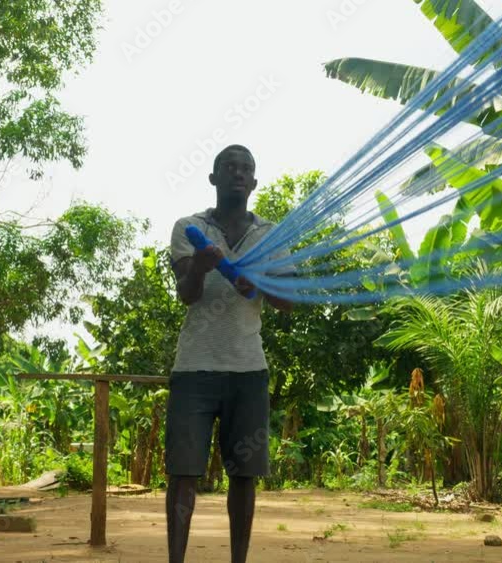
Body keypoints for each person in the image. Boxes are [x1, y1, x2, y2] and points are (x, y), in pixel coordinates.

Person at [166, 144, 293, 563]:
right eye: (229, 167)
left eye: (246, 169)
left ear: (254, 183)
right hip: (194, 370)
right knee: (183, 474)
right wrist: (201, 267)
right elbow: (187, 295)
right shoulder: (189, 227)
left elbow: (288, 302)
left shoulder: (271, 236)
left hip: (248, 370)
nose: (238, 173)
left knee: (245, 475)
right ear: (213, 178)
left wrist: (256, 283)